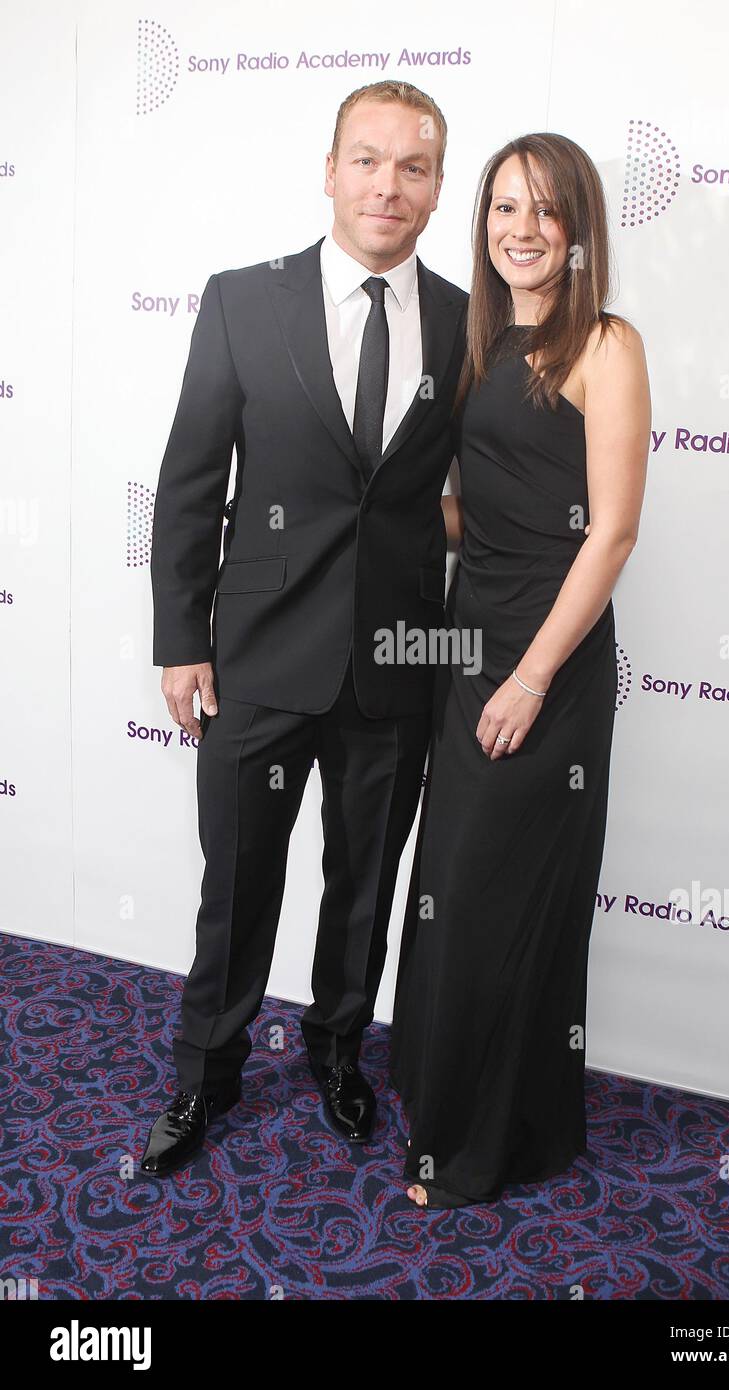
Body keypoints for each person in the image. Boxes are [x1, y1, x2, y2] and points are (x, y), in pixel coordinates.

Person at [142, 80, 468, 1176]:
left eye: (412, 166)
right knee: (235, 883)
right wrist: (181, 639)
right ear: (328, 171)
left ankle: (337, 1049)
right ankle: (204, 1076)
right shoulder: (243, 300)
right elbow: (190, 484)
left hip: (397, 661)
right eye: (367, 160)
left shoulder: (471, 321)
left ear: (435, 187)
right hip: (257, 656)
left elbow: (461, 488)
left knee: (366, 883)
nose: (388, 184)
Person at [389, 133, 651, 1208]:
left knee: (504, 902)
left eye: (545, 210)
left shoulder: (608, 344)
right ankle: (452, 1102)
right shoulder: (480, 340)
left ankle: (479, 1149)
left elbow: (612, 533)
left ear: (578, 227)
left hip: (551, 663)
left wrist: (534, 676)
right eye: (504, 207)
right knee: (452, 886)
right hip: (468, 647)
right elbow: (476, 506)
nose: (522, 230)